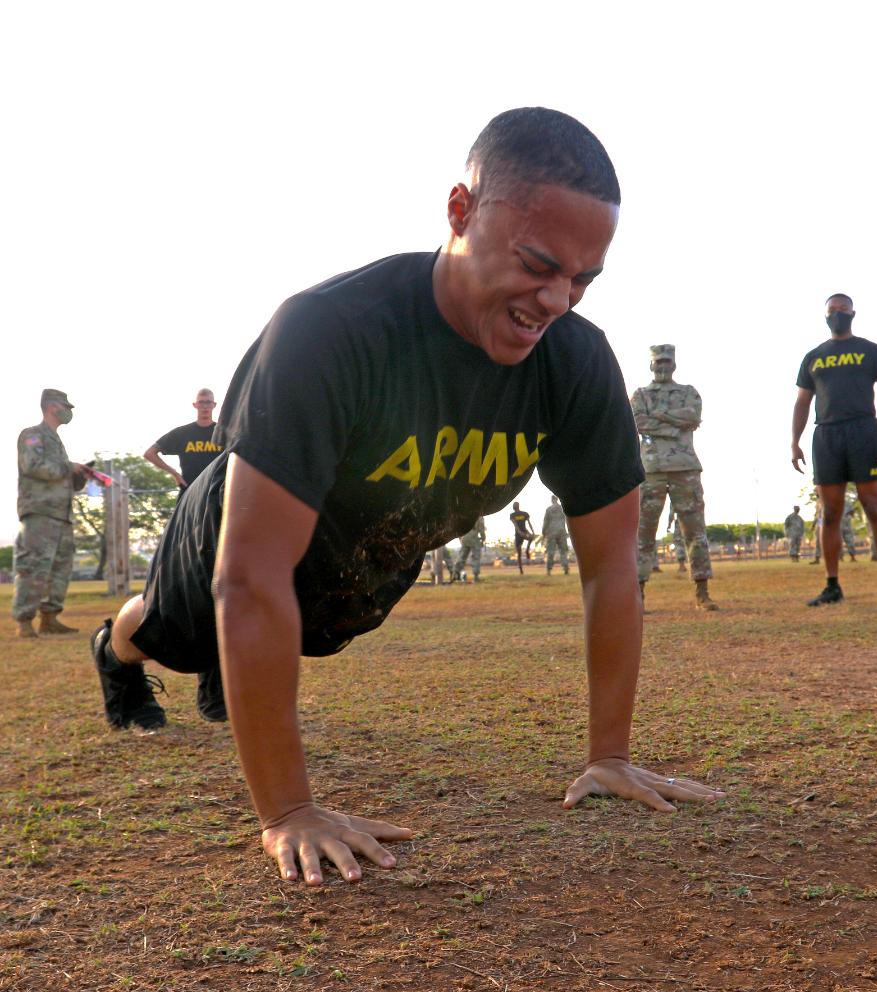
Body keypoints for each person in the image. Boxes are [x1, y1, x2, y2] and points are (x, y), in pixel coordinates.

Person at [89, 107, 724, 886]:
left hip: (369, 566)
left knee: (297, 633)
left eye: (583, 279)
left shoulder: (575, 365)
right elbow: (249, 575)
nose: (558, 299)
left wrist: (610, 755)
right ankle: (113, 652)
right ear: (459, 213)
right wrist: (288, 812)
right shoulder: (330, 331)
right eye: (537, 263)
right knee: (167, 634)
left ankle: (221, 656)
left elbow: (610, 569)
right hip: (242, 531)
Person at [791, 293, 877, 606]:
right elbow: (802, 402)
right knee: (830, 513)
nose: (837, 314)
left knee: (873, 506)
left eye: (843, 309)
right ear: (825, 316)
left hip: (864, 431)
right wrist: (794, 441)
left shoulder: (871, 351)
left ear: (853, 313)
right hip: (826, 436)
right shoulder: (814, 356)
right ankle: (832, 586)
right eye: (832, 310)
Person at [632, 344, 718, 610]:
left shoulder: (688, 393)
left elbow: (693, 417)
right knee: (643, 533)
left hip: (686, 469)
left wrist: (658, 417)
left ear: (674, 365)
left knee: (695, 532)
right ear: (651, 365)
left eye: (667, 362)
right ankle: (638, 594)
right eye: (658, 362)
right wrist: (672, 426)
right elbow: (636, 422)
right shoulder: (641, 395)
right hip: (650, 470)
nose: (662, 367)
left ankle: (702, 593)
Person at [13, 390, 88, 638]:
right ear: (51, 406)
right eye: (66, 406)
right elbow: (32, 466)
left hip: (61, 514)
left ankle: (50, 618)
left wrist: (78, 475)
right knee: (34, 565)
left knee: (60, 567)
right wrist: (69, 467)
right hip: (40, 511)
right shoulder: (33, 435)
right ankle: (24, 621)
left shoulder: (56, 440)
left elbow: (61, 477)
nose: (69, 411)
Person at [143, 389, 224, 490]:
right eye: (201, 402)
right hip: (189, 491)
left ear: (214, 405)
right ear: (195, 405)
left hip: (218, 490)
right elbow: (149, 453)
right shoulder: (182, 433)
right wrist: (175, 474)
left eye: (208, 402)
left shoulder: (224, 433)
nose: (205, 406)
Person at [542, 495, 570, 575]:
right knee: (563, 552)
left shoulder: (549, 509)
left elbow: (545, 522)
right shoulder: (562, 508)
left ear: (552, 500)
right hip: (561, 532)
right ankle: (565, 568)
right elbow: (567, 520)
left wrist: (543, 532)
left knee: (550, 552)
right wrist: (567, 532)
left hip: (551, 532)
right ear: (557, 499)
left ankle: (549, 570)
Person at [453, 517, 486, 581]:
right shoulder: (479, 516)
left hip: (464, 538)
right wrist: (483, 539)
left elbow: (459, 529)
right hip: (474, 538)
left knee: (461, 557)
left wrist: (460, 539)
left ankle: (455, 574)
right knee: (476, 557)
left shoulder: (465, 514)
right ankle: (476, 577)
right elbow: (481, 529)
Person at [509, 501, 536, 573]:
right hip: (518, 534)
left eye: (515, 505)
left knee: (531, 537)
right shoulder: (512, 515)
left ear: (518, 506)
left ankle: (527, 550)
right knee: (519, 552)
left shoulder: (524, 514)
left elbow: (529, 523)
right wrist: (519, 532)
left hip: (524, 531)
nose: (514, 506)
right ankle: (521, 569)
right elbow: (515, 524)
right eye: (514, 505)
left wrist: (532, 532)